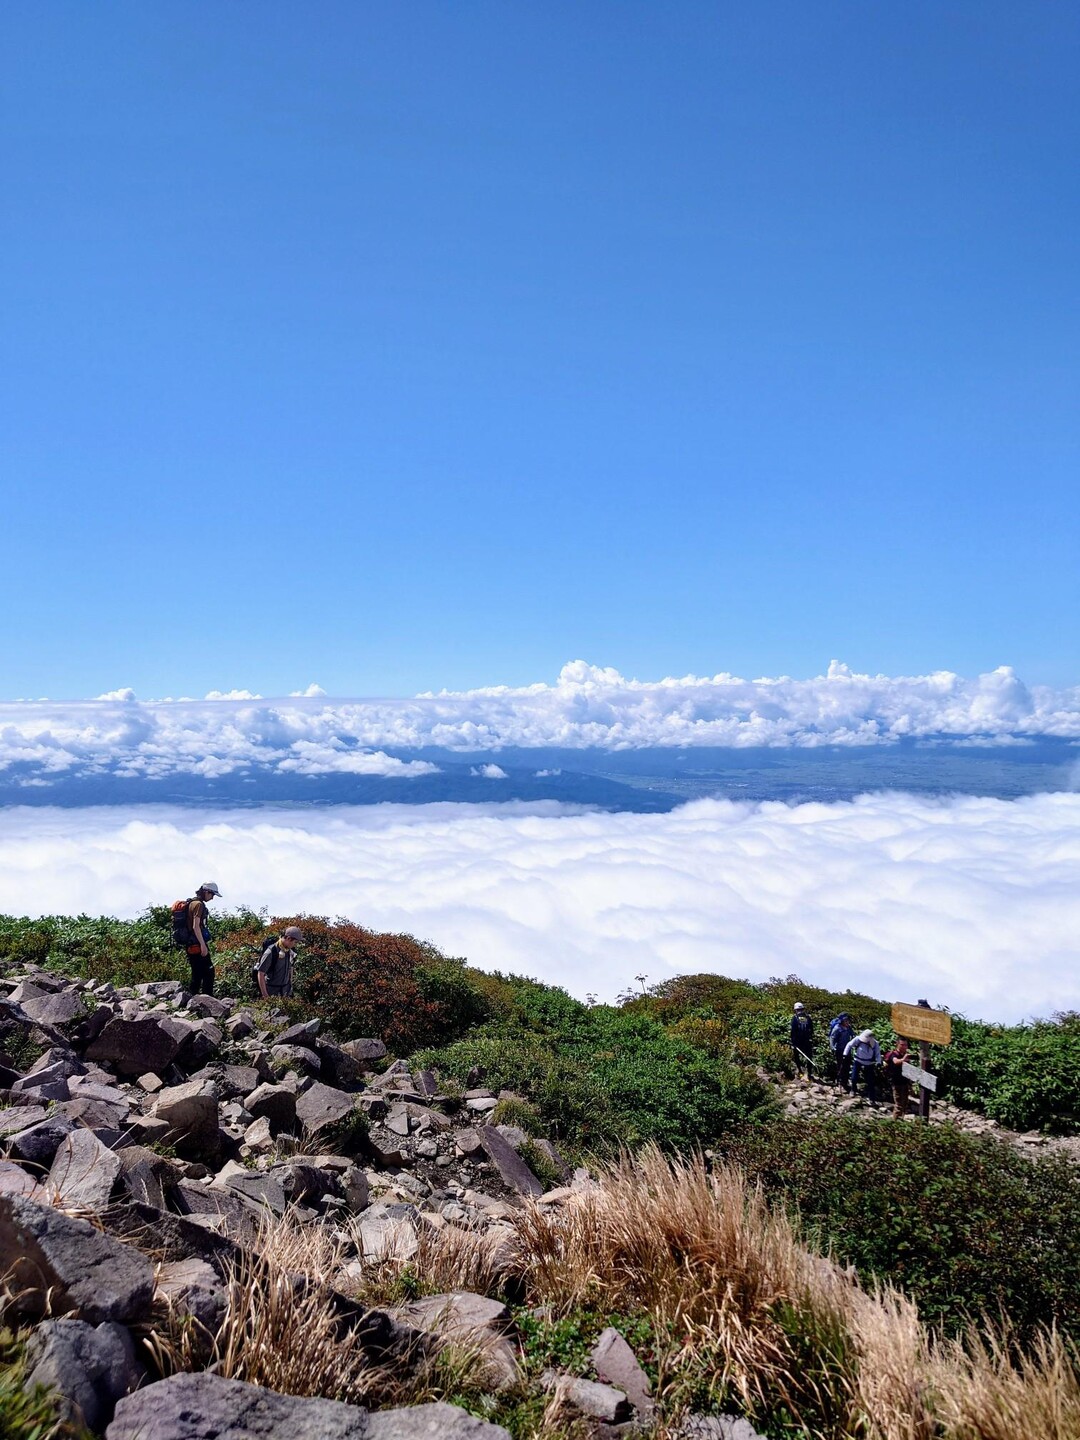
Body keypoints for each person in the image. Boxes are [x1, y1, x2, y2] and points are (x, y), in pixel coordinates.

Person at [185, 882, 222, 996]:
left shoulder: (191, 902)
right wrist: (203, 945)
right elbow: (196, 926)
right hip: (197, 944)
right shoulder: (199, 905)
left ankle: (192, 999)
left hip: (190, 943)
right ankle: (208, 1000)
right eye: (212, 895)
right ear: (206, 892)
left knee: (197, 973)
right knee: (209, 972)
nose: (212, 898)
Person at [255, 926, 303, 999]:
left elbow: (290, 968)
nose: (295, 944)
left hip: (285, 992)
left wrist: (290, 987)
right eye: (295, 942)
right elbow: (261, 973)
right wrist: (265, 996)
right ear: (288, 938)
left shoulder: (290, 951)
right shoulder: (271, 952)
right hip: (271, 992)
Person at [844, 1028, 882, 1103]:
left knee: (870, 1081)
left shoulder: (875, 1044)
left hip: (869, 1063)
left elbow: (878, 1054)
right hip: (857, 1061)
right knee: (854, 1077)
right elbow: (849, 1045)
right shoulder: (858, 1039)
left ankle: (871, 1098)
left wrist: (878, 1062)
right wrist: (845, 1054)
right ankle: (853, 1090)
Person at [883, 1037, 913, 1119]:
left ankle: (900, 1121)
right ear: (897, 1044)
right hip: (896, 1083)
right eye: (902, 1045)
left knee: (905, 1104)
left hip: (905, 1082)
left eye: (905, 1045)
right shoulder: (894, 1054)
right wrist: (903, 1059)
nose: (904, 1047)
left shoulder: (905, 1055)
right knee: (899, 1105)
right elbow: (895, 1061)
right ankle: (895, 1123)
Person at [829, 1013, 855, 1089]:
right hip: (840, 1050)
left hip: (848, 1050)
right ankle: (840, 1082)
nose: (847, 1022)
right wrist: (833, 1047)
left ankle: (845, 1082)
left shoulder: (848, 1028)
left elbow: (852, 1035)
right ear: (842, 1021)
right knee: (841, 1066)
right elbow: (832, 1038)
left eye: (848, 1021)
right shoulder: (837, 1028)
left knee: (847, 1066)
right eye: (845, 1021)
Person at [789, 1001, 815, 1079]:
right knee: (808, 1056)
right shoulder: (808, 1017)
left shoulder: (795, 1018)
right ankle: (808, 1073)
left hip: (799, 1041)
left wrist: (793, 1042)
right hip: (806, 1041)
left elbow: (793, 1031)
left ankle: (802, 1071)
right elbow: (812, 1029)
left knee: (797, 1056)